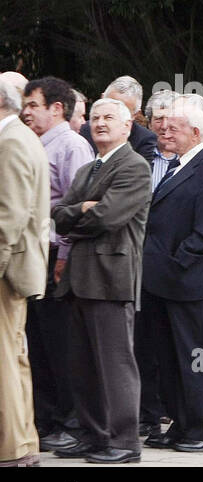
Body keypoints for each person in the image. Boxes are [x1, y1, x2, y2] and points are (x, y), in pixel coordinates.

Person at [48, 98, 150, 463]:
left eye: (110, 117)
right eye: (94, 117)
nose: (100, 123)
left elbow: (106, 218)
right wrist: (80, 210)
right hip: (78, 278)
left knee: (115, 365)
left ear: (127, 126)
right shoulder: (89, 168)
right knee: (83, 365)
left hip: (111, 279)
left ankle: (124, 442)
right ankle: (95, 435)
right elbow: (57, 214)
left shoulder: (134, 166)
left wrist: (79, 212)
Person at [140, 94, 203, 453]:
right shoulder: (184, 163)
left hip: (191, 281)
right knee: (172, 358)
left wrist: (175, 260)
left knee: (197, 357)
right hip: (168, 282)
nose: (166, 131)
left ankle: (202, 429)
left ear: (195, 131)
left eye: (174, 127)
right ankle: (183, 422)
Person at [19, 76, 94, 452]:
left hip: (56, 257)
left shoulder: (71, 146)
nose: (26, 111)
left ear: (57, 108)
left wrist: (63, 257)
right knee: (37, 341)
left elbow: (76, 207)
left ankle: (72, 422)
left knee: (61, 343)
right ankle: (46, 420)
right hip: (33, 254)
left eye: (33, 105)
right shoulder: (32, 143)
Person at [0, 79, 50, 467]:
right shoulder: (21, 137)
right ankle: (23, 443)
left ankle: (15, 448)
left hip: (7, 269)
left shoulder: (12, 140)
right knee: (14, 357)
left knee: (6, 358)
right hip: (15, 266)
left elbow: (10, 216)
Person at [77, 76, 157, 160]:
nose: (102, 123)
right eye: (108, 105)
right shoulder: (82, 130)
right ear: (101, 98)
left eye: (122, 111)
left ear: (134, 115)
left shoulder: (144, 140)